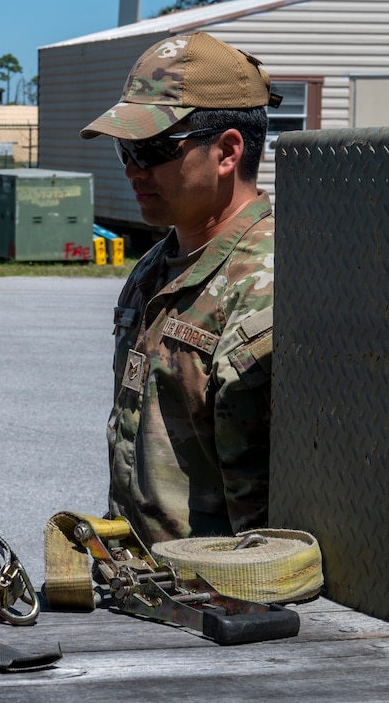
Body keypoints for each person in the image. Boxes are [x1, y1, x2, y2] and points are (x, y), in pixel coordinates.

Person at [80, 31, 278, 548]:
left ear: (228, 151)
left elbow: (276, 514)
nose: (131, 169)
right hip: (150, 595)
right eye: (126, 148)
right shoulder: (155, 266)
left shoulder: (272, 285)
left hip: (226, 602)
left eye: (152, 149)